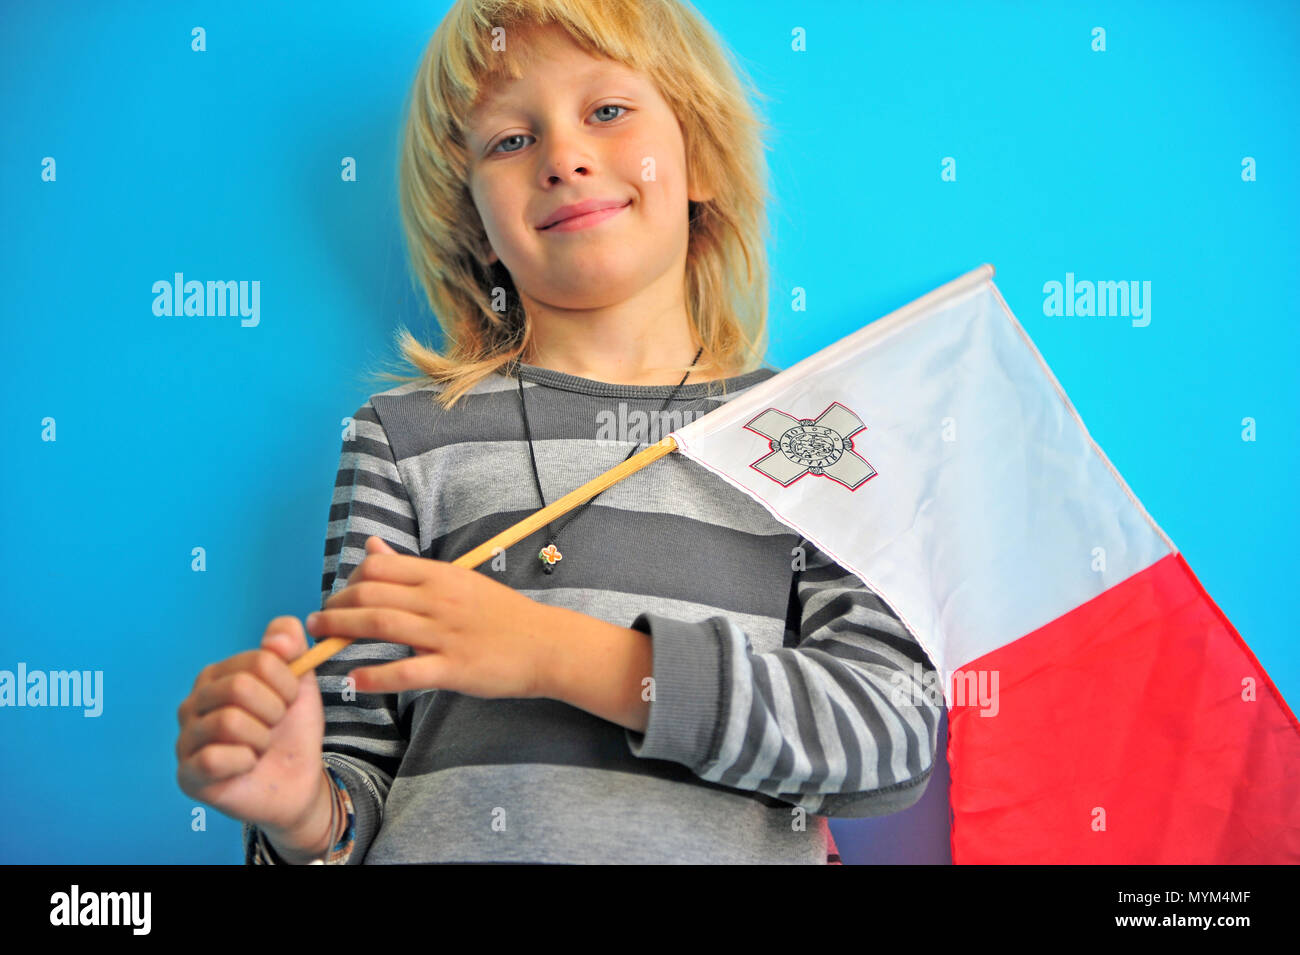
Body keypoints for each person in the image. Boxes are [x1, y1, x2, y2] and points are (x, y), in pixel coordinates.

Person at [175, 0, 941, 864]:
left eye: (608, 112)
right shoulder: (400, 441)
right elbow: (356, 772)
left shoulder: (811, 438)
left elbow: (889, 737)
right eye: (510, 140)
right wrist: (303, 811)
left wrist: (562, 655)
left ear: (702, 164)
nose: (564, 158)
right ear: (476, 227)